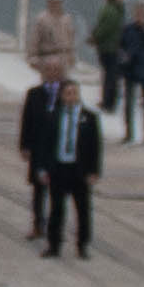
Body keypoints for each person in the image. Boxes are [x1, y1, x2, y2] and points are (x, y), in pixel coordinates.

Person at [18, 63, 103, 260]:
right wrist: (42, 168)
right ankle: (54, 245)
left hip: (79, 169)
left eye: (74, 93)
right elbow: (45, 145)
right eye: (68, 94)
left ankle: (82, 245)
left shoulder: (89, 118)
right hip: (59, 168)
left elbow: (95, 147)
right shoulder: (53, 117)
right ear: (62, 96)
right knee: (56, 209)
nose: (71, 97)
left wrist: (94, 171)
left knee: (83, 209)